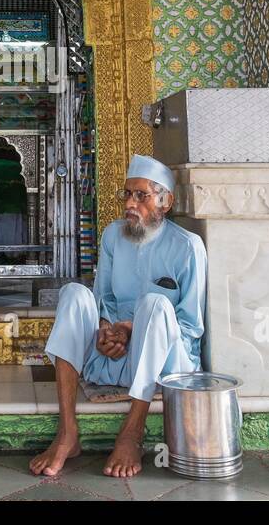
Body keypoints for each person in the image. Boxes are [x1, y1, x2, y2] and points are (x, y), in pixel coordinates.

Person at [30, 154, 207, 478]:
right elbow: (103, 300)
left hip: (166, 365)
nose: (130, 203)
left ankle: (132, 431)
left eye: (142, 195)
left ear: (165, 201)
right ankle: (67, 432)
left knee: (155, 304)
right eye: (127, 194)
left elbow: (190, 327)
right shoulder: (113, 235)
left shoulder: (188, 246)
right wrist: (107, 329)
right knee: (74, 293)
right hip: (113, 357)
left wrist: (133, 329)